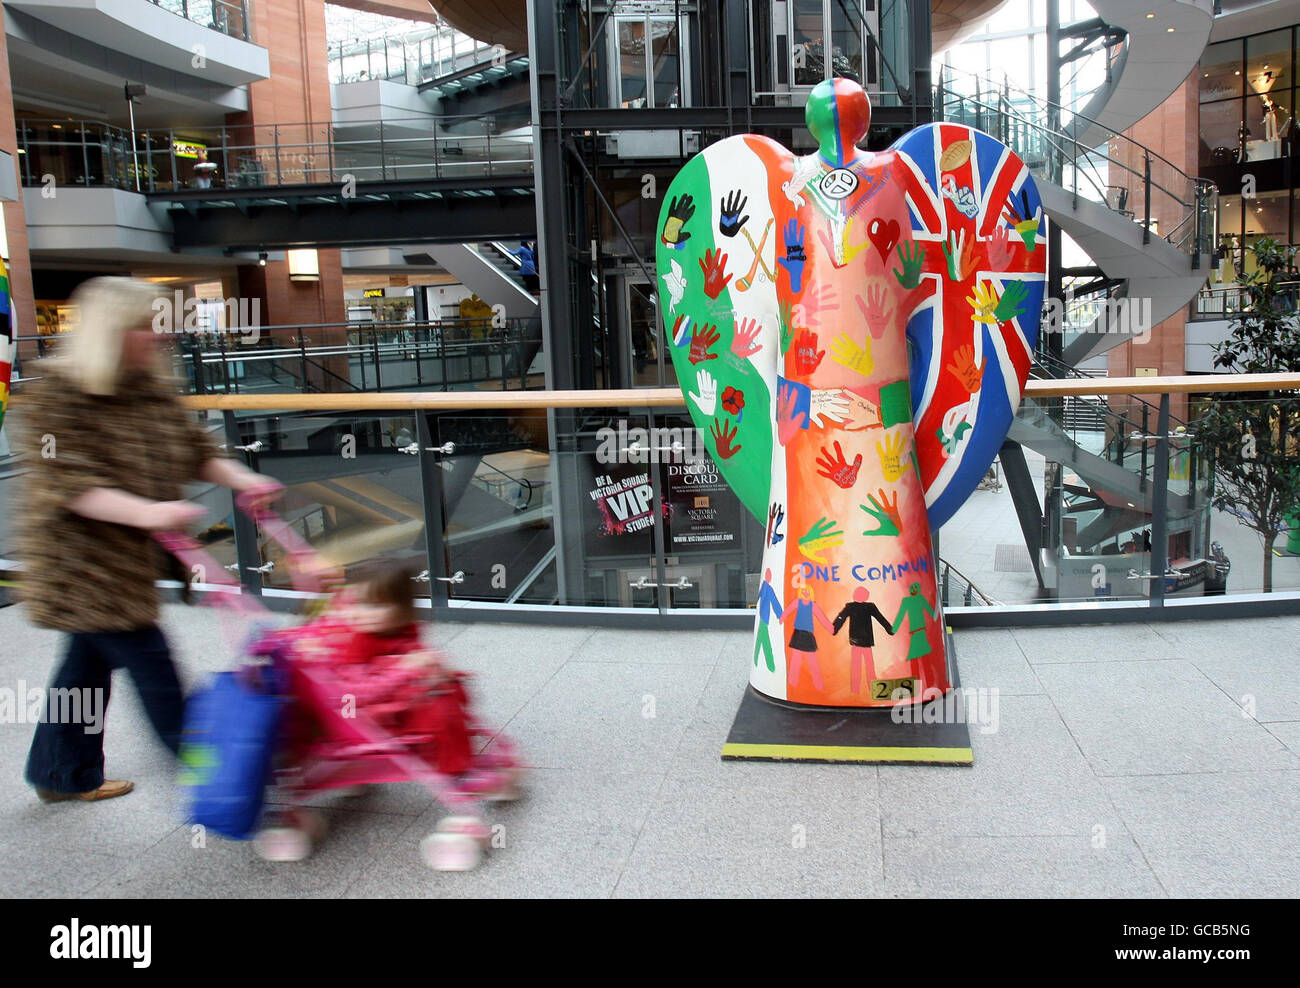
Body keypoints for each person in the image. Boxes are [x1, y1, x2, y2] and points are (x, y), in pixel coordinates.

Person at [16, 277, 283, 803]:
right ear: (111, 330)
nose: (156, 337)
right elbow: (69, 484)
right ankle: (225, 778)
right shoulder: (57, 397)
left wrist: (244, 480)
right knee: (155, 670)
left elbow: (193, 450)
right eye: (143, 326)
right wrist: (152, 511)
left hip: (129, 559)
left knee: (84, 668)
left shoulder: (148, 387)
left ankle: (60, 773)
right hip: (83, 566)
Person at [831, 587, 894, 694]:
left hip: (860, 641)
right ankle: (859, 690)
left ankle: (859, 690)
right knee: (866, 666)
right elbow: (880, 618)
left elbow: (840, 618)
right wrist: (889, 629)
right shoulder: (860, 606)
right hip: (862, 641)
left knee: (863, 666)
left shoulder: (864, 606)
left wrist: (834, 629)